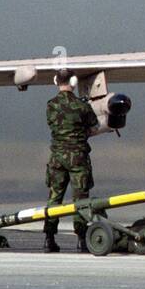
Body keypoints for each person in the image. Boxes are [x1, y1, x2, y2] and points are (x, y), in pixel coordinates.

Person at [44, 68, 101, 253]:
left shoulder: (51, 105)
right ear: (74, 82)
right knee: (81, 199)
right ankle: (82, 240)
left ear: (55, 81)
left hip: (57, 158)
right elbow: (94, 127)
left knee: (54, 198)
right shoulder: (82, 107)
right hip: (78, 158)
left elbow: (54, 125)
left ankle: (49, 239)